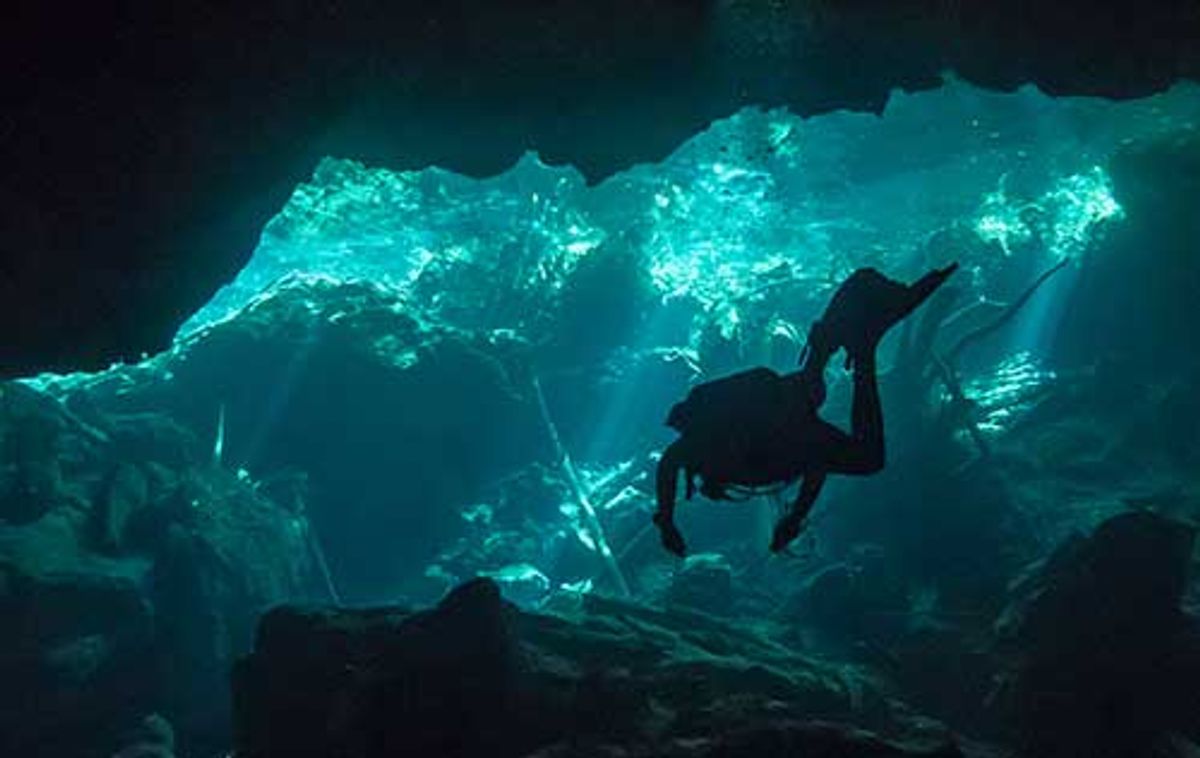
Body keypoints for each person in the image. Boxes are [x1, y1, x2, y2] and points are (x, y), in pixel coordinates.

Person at [653, 264, 958, 556]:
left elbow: (670, 461)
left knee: (864, 453)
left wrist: (666, 521)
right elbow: (815, 462)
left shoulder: (713, 454)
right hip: (786, 418)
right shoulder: (728, 463)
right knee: (862, 450)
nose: (715, 496)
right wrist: (795, 518)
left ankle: (853, 342)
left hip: (780, 415)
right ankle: (852, 341)